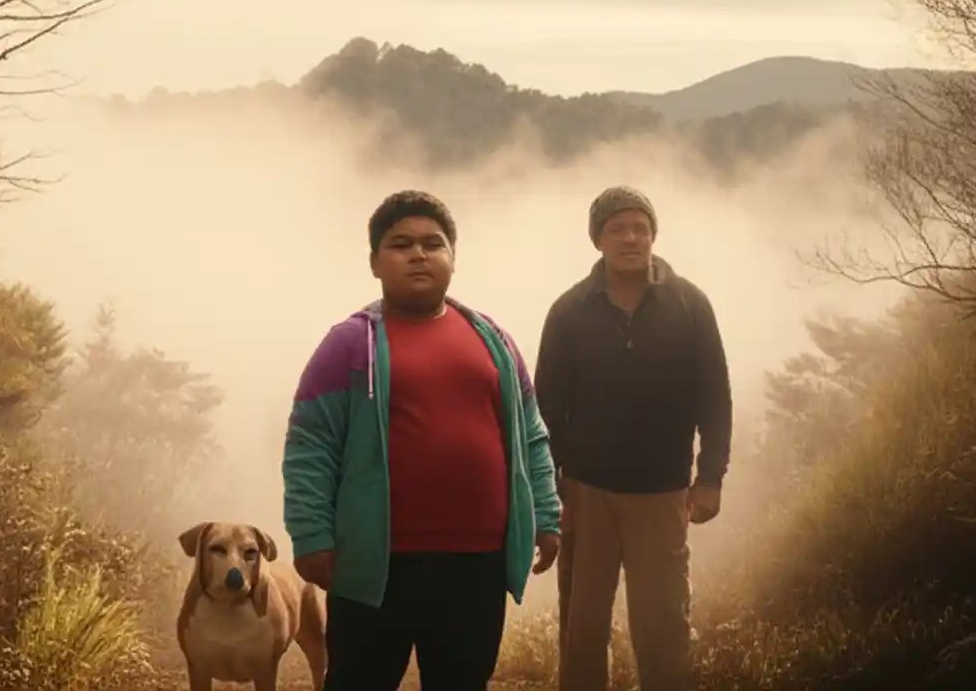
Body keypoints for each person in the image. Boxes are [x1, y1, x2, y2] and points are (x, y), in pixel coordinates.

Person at [281, 189, 563, 691]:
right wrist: (311, 535)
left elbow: (531, 437)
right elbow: (311, 444)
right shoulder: (350, 343)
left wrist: (545, 515)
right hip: (375, 565)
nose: (418, 253)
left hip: (477, 564)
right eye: (400, 244)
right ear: (374, 262)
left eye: (433, 243)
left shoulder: (491, 338)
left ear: (452, 257)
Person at [535, 185, 733, 691]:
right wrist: (549, 491)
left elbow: (715, 397)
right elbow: (545, 409)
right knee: (582, 629)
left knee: (664, 624)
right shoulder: (569, 310)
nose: (631, 238)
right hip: (584, 493)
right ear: (597, 240)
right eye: (617, 229)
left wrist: (709, 478)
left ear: (653, 235)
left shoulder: (689, 304)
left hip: (663, 494)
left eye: (640, 228)